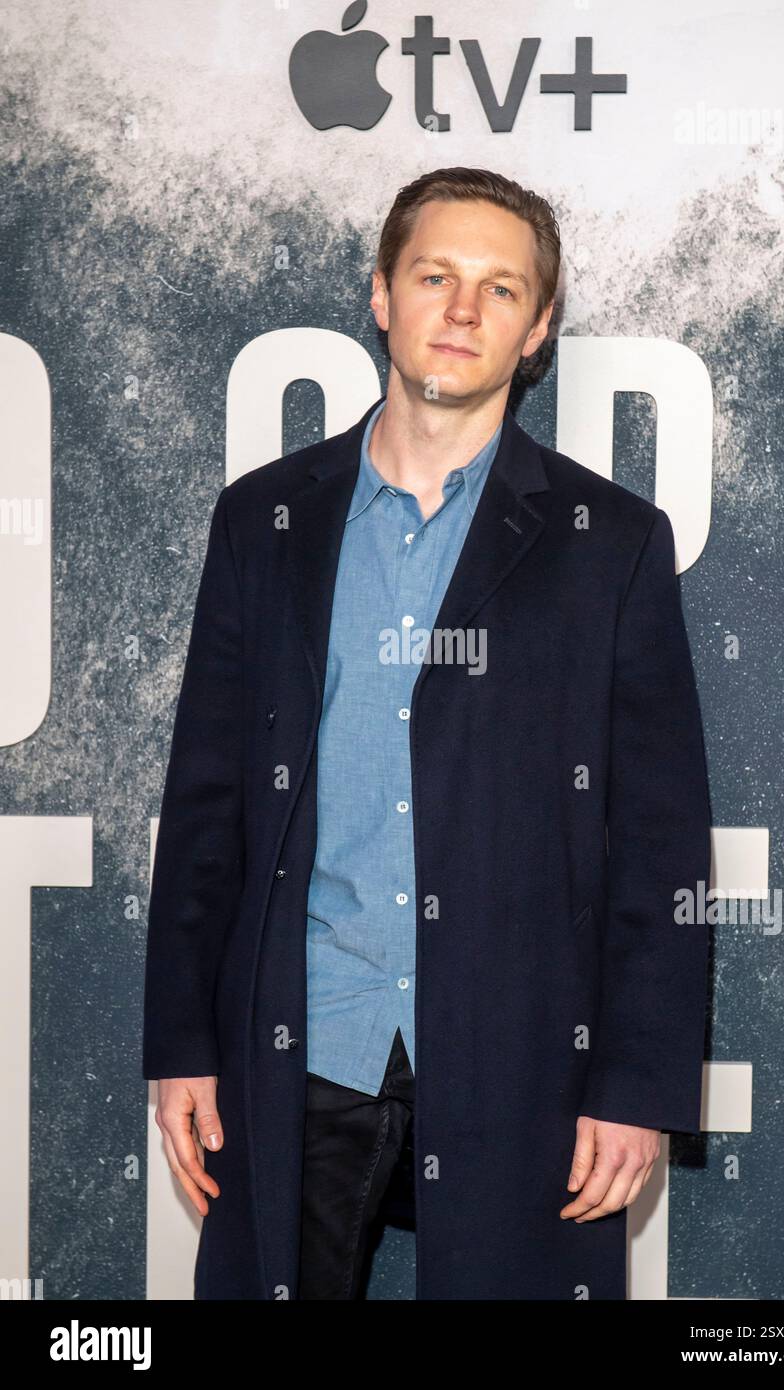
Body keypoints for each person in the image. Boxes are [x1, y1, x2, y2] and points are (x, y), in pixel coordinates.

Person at [142, 166, 712, 1301]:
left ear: (538, 328)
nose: (461, 310)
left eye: (500, 289)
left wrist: (639, 1084)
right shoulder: (264, 519)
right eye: (434, 276)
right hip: (304, 1039)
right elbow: (206, 796)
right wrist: (180, 1043)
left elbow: (658, 839)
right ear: (380, 295)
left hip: (520, 1055)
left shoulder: (611, 546)